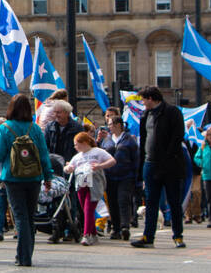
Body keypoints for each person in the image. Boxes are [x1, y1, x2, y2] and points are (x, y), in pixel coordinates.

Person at [0, 93, 50, 266]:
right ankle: (27, 254)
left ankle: (23, 257)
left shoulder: (5, 128)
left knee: (20, 216)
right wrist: (48, 176)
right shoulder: (35, 128)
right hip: (34, 177)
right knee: (30, 216)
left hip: (13, 176)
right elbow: (44, 154)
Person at [131, 86, 186, 249]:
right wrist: (142, 168)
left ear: (151, 98)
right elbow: (144, 141)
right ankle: (148, 236)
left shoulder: (172, 112)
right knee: (151, 202)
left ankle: (178, 236)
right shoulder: (145, 114)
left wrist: (166, 160)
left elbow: (177, 138)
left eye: (143, 99)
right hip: (150, 163)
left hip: (170, 165)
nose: (142, 103)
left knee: (174, 202)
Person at [64, 130, 115, 245]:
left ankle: (87, 235)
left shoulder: (97, 152)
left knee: (88, 209)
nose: (75, 147)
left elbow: (112, 161)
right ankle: (94, 234)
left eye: (77, 144)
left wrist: (100, 166)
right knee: (86, 210)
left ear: (85, 142)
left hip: (94, 185)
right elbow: (68, 167)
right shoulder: (77, 157)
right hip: (81, 184)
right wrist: (69, 168)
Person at [99, 112, 139, 240]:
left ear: (118, 125)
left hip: (125, 176)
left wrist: (137, 178)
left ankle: (124, 226)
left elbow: (136, 159)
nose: (109, 127)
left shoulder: (129, 140)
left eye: (111, 124)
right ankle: (116, 229)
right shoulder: (107, 140)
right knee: (112, 202)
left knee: (123, 200)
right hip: (110, 176)